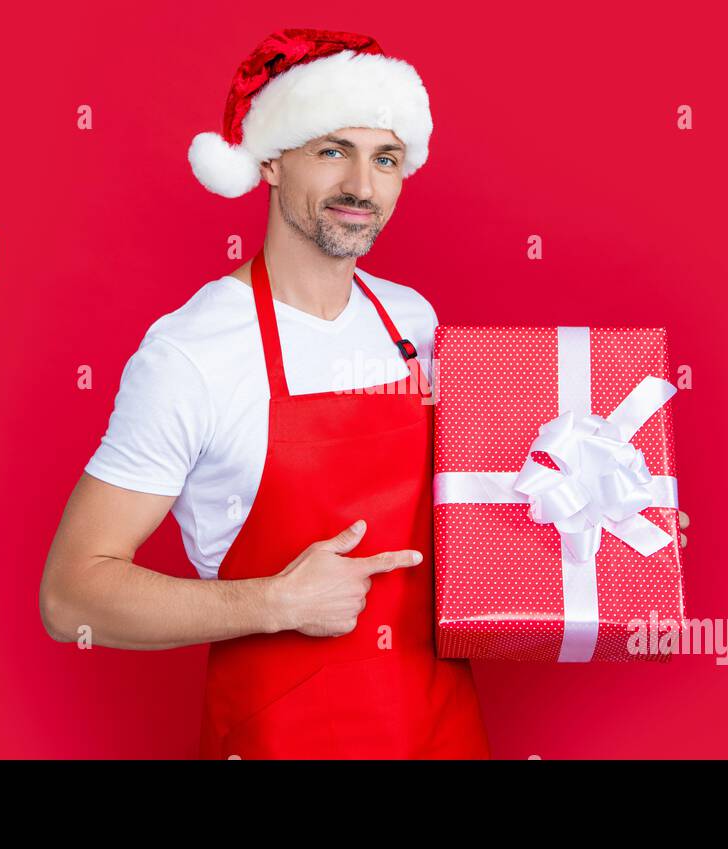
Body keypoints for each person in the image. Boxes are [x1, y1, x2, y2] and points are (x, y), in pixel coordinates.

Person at [39, 28, 493, 759]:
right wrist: (275, 602)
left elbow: (465, 520)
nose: (362, 186)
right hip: (284, 736)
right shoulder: (191, 353)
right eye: (331, 149)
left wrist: (599, 538)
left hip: (439, 730)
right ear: (273, 162)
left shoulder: (416, 321)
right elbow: (70, 595)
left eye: (385, 158)